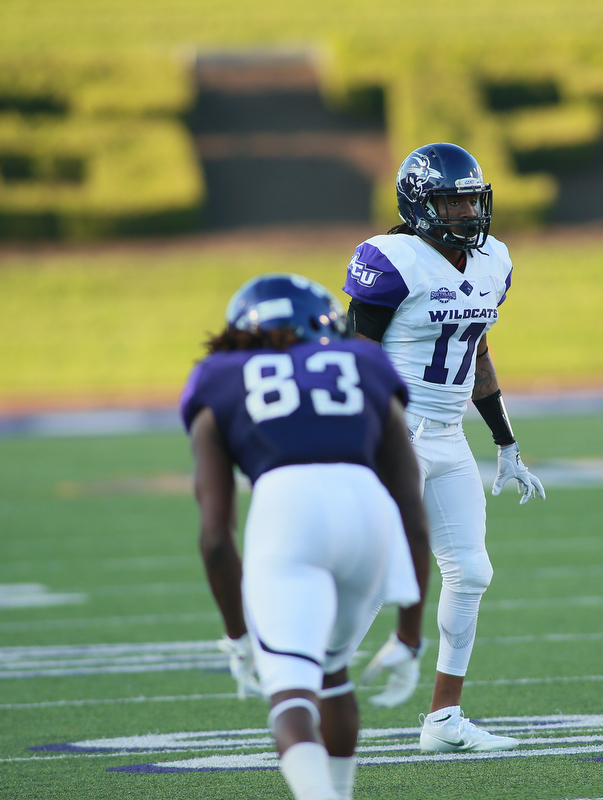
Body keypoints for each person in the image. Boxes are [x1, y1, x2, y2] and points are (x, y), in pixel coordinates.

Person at [181, 273, 432, 800]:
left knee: (291, 688)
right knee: (332, 669)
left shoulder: (219, 376)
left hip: (285, 507)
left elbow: (214, 536)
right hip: (368, 508)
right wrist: (410, 633)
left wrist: (238, 636)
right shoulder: (366, 364)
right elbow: (411, 507)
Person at [344, 142, 546, 754]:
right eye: (452, 201)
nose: (466, 213)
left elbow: (476, 350)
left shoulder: (493, 263)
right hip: (391, 435)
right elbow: (353, 357)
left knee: (473, 571)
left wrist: (506, 442)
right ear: (420, 204)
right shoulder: (391, 261)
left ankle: (444, 720)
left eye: (471, 199)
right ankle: (302, 691)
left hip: (448, 435)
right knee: (378, 582)